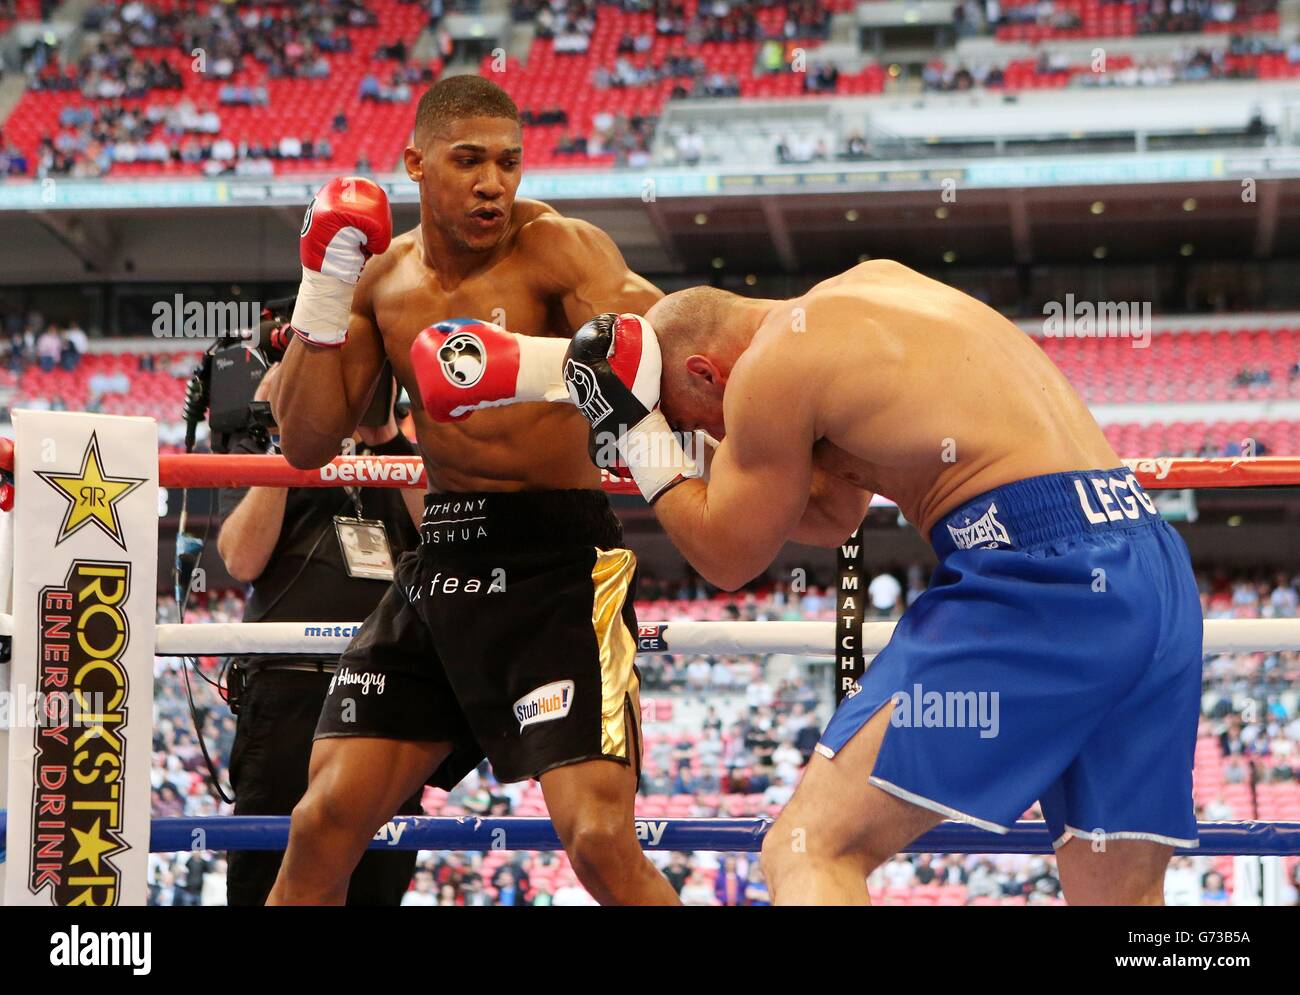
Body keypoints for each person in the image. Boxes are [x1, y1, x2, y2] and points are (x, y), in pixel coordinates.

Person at [562, 260, 1202, 905]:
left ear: (706, 371)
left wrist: (642, 440)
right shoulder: (870, 290)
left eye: (690, 420)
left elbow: (727, 558)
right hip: (1149, 559)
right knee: (1119, 897)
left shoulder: (770, 368)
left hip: (1037, 571)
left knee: (812, 849)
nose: (705, 438)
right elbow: (836, 516)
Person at [268, 74, 674, 905]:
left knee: (598, 841)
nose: (495, 182)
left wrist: (555, 358)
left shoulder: (561, 247)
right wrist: (322, 286)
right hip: (443, 559)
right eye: (469, 161)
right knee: (320, 823)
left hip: (560, 560)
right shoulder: (380, 280)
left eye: (509, 163)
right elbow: (306, 444)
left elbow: (659, 342)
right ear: (416, 163)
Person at [216, 363, 425, 905]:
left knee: (378, 872)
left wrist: (385, 438)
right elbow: (240, 559)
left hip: (386, 691)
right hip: (288, 690)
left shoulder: (407, 461)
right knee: (267, 866)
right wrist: (295, 442)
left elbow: (451, 537)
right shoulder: (278, 462)